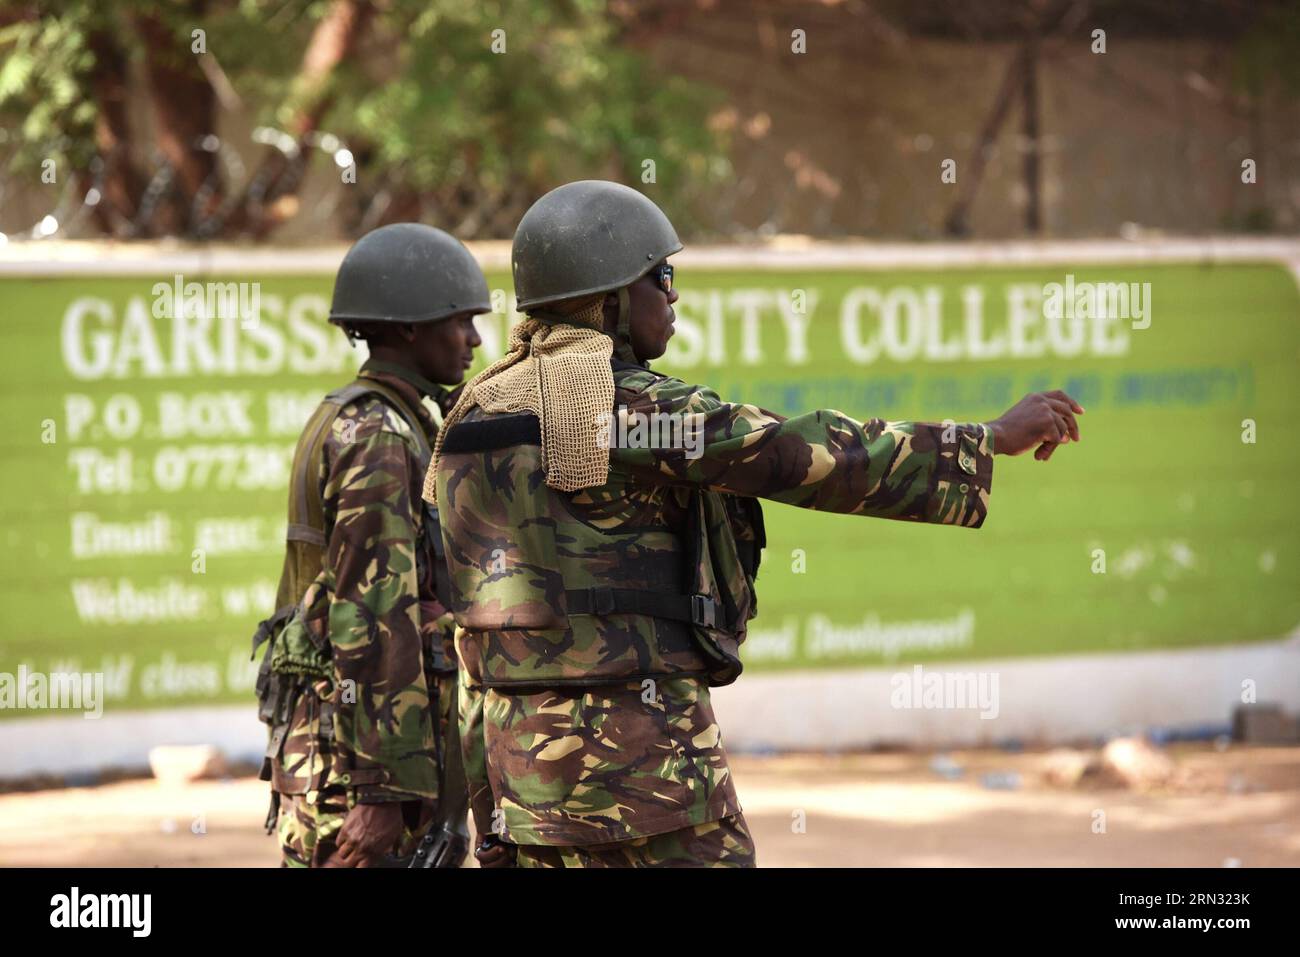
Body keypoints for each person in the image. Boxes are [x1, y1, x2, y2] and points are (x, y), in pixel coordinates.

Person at [424, 180, 1084, 867]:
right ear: (610, 295)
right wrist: (983, 440)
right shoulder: (625, 406)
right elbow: (802, 453)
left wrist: (484, 802)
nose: (673, 296)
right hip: (642, 771)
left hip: (518, 774)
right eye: (662, 276)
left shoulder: (474, 416)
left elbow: (465, 615)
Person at [252, 222, 488, 867]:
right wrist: (384, 793)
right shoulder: (376, 435)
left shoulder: (389, 418)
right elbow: (375, 615)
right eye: (461, 321)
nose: (474, 340)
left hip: (360, 748)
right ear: (410, 327)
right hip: (359, 764)